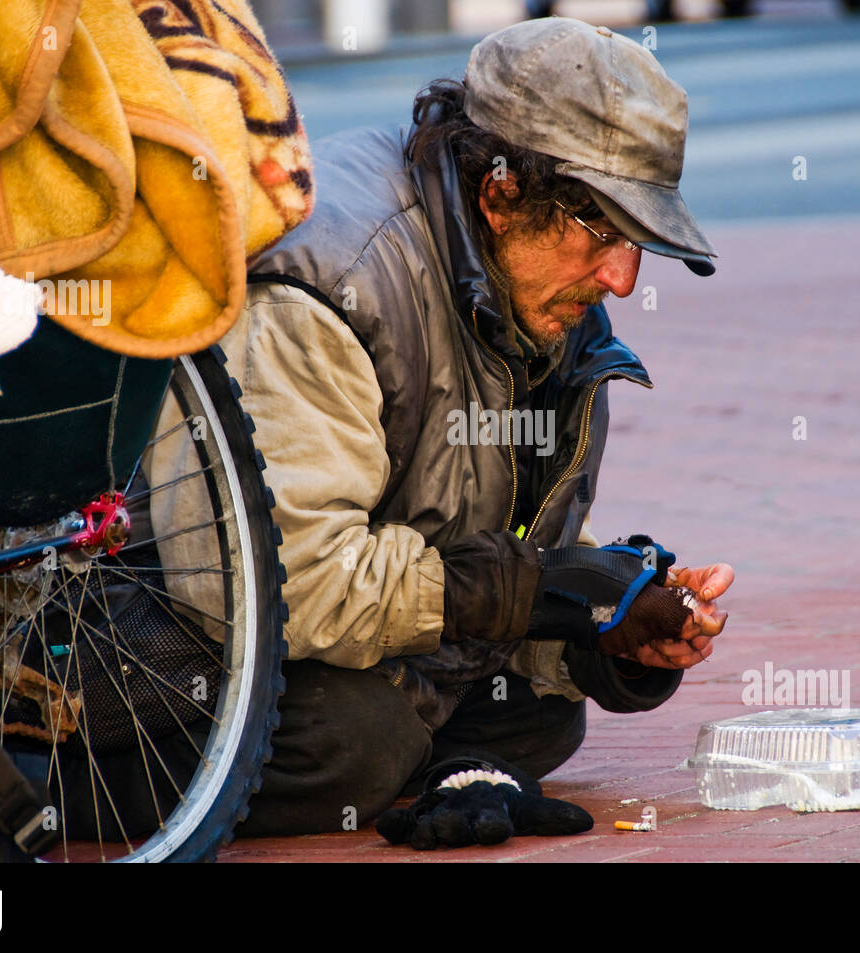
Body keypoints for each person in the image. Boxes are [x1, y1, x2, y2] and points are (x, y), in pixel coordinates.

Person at [219, 17, 735, 837]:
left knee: (542, 715)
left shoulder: (551, 309)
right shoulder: (335, 287)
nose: (624, 279)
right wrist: (539, 589)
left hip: (380, 627)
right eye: (604, 231)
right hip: (192, 633)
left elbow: (510, 545)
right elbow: (296, 584)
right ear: (502, 195)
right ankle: (45, 763)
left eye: (639, 242)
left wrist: (607, 624)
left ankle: (433, 763)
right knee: (356, 737)